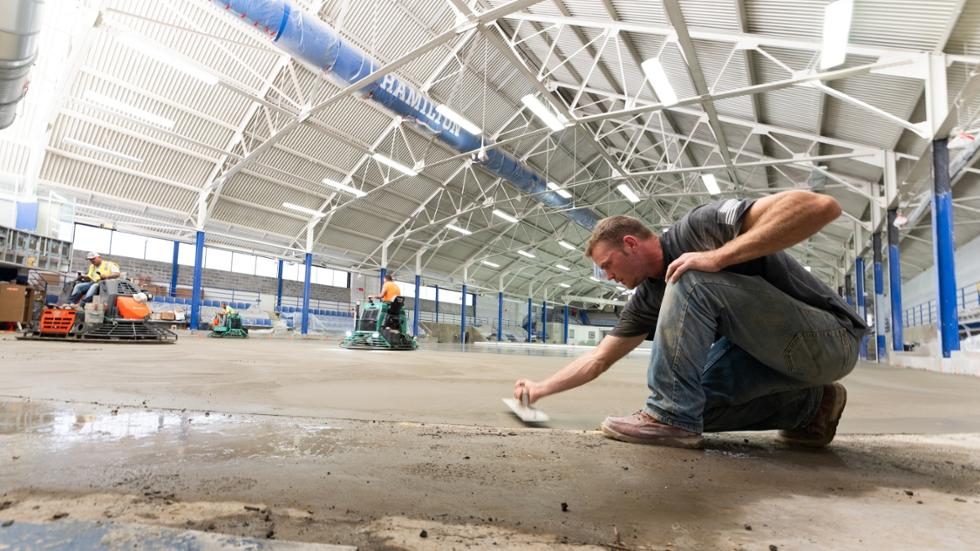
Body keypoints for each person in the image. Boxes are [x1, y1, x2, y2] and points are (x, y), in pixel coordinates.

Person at [514, 191, 867, 449]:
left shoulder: (699, 229)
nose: (608, 276)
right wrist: (540, 389)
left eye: (608, 265)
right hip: (782, 360)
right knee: (694, 407)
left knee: (688, 276)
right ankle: (812, 406)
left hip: (830, 338)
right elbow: (598, 359)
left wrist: (718, 256)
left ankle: (668, 418)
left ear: (630, 244)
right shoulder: (647, 298)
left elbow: (821, 206)